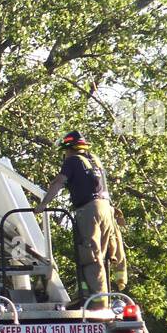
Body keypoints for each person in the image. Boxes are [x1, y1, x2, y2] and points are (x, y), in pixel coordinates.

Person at [34, 131, 128, 308]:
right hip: (106, 210)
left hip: (89, 211)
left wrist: (43, 204)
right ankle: (90, 296)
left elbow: (59, 182)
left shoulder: (72, 161)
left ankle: (98, 304)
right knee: (102, 254)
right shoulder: (94, 161)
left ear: (69, 149)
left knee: (90, 256)